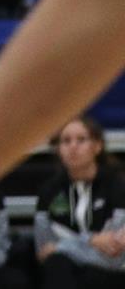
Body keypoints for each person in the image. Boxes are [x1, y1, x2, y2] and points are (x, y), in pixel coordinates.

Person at [33, 116, 125, 288]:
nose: (73, 147)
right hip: (67, 274)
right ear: (58, 149)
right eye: (66, 141)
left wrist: (64, 245)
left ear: (97, 146)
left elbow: (114, 254)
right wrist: (92, 240)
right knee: (56, 264)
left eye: (81, 140)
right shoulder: (49, 191)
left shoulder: (118, 186)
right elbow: (44, 251)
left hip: (110, 274)